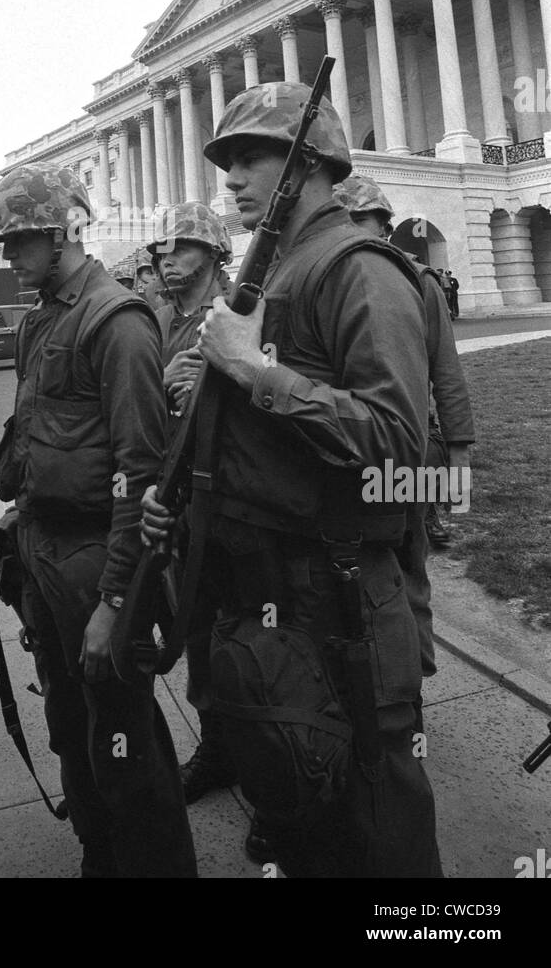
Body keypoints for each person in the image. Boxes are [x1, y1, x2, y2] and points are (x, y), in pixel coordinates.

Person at [142, 82, 442, 878]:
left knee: (379, 836)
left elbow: (397, 446)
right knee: (309, 818)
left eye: (250, 158)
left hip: (339, 600)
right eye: (228, 162)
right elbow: (258, 443)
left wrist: (254, 368)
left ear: (307, 162)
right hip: (273, 589)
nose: (232, 178)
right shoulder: (278, 269)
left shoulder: (358, 269)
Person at [0, 163, 196, 879]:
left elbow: (142, 473)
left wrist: (113, 603)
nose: (8, 257)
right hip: (46, 554)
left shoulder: (117, 321)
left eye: (18, 243)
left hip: (99, 556)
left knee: (125, 741)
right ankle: (102, 860)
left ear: (59, 233)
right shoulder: (41, 319)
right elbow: (32, 437)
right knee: (71, 730)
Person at [333, 175, 475, 666]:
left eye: (363, 223)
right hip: (347, 448)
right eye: (346, 222)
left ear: (384, 227)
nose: (355, 234)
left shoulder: (420, 281)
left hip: (409, 456)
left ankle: (412, 679)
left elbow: (447, 374)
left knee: (407, 567)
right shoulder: (332, 281)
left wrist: (457, 466)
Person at [146, 203, 241, 803]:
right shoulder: (152, 319)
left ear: (211, 253)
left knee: (252, 642)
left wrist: (212, 384)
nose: (165, 257)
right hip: (177, 505)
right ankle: (219, 749)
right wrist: (164, 386)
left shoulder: (237, 314)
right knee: (198, 633)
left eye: (180, 247)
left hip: (234, 501)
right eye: (161, 249)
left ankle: (271, 774)